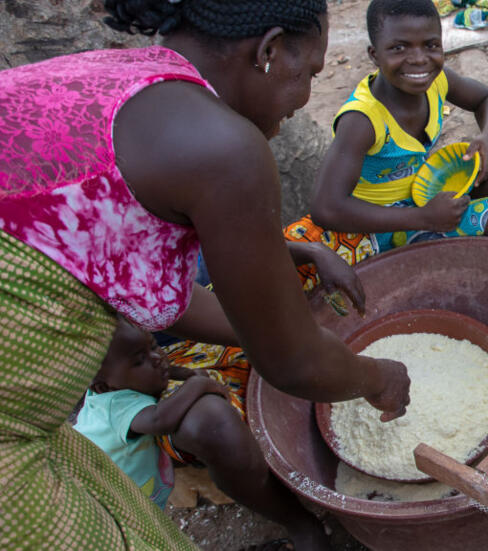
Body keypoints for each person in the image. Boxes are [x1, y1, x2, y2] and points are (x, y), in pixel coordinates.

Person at [0, 1, 410, 550]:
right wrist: (376, 378)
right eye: (309, 73)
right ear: (267, 52)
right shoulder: (224, 148)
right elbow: (291, 364)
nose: (308, 94)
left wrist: (284, 327)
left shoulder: (132, 76)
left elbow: (150, 286)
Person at [296, 0, 488, 260]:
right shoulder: (363, 120)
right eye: (399, 48)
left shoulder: (437, 80)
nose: (419, 59)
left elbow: (487, 99)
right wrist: (423, 217)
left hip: (423, 199)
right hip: (380, 226)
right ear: (374, 55)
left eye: (431, 45)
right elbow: (326, 207)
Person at [74, 318, 230, 511]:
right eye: (139, 361)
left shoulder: (113, 382)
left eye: (154, 346)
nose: (156, 358)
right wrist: (197, 385)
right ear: (104, 387)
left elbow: (161, 367)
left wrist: (181, 373)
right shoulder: (117, 406)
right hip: (116, 502)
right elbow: (160, 419)